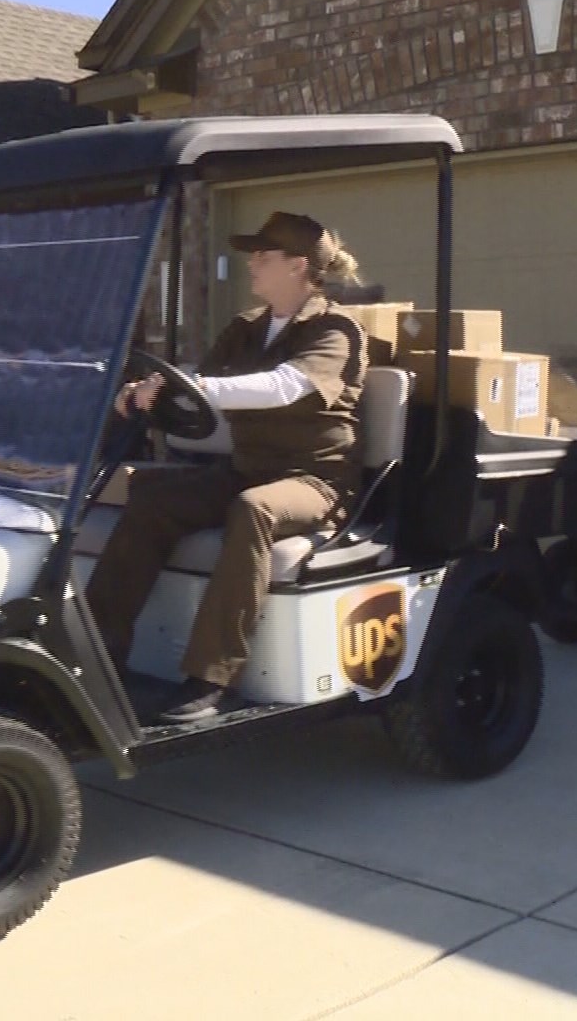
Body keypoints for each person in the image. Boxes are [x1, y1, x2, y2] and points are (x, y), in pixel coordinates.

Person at [86, 211, 368, 723]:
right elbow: (195, 378)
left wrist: (200, 389)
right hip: (248, 467)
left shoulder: (335, 330)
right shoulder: (247, 328)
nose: (253, 265)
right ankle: (98, 652)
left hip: (315, 480)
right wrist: (143, 392)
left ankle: (211, 676)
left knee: (254, 509)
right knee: (151, 494)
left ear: (299, 267)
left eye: (264, 256)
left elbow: (285, 386)